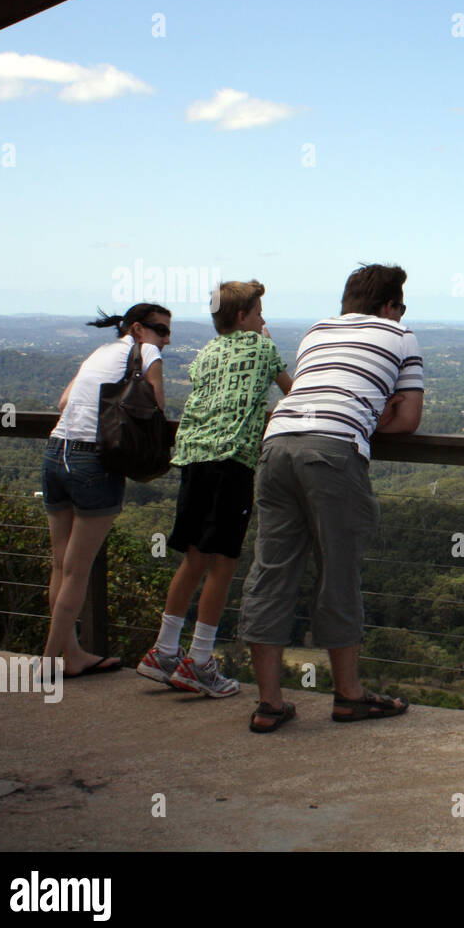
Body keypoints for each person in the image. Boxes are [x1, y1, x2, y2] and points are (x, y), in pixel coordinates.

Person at [238, 263, 424, 732]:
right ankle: (349, 697)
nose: (399, 316)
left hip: (276, 445)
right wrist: (370, 414)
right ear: (389, 306)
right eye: (398, 308)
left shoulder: (317, 330)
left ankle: (269, 704)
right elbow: (407, 421)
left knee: (271, 571)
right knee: (338, 573)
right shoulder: (400, 335)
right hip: (333, 454)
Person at [136, 281, 292, 697]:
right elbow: (292, 391)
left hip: (193, 459)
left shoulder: (206, 353)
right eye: (259, 312)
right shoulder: (262, 347)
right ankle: (200, 661)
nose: (264, 320)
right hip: (230, 463)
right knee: (223, 564)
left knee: (193, 559)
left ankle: (164, 651)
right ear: (244, 317)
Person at [42, 302, 171, 676]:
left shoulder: (98, 353)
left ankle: (72, 655)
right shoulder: (147, 352)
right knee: (78, 570)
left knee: (61, 563)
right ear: (136, 328)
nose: (165, 338)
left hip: (56, 452)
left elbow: (64, 401)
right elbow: (157, 407)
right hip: (94, 462)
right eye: (160, 329)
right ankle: (50, 659)